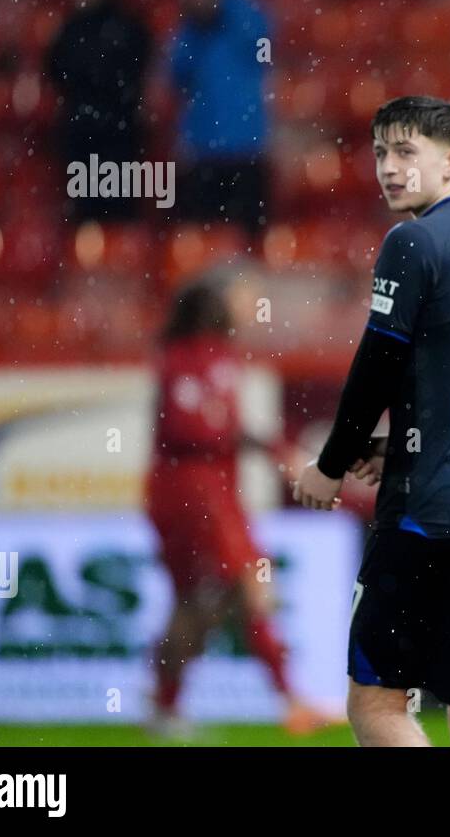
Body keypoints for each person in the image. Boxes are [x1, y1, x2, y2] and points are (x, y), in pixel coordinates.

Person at [293, 97, 450, 747]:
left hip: (438, 513)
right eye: (381, 152)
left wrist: (331, 464)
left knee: (376, 703)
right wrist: (403, 440)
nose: (388, 167)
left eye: (407, 152)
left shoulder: (414, 239)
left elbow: (376, 364)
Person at [145, 278, 329, 737]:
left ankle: (164, 703)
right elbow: (192, 429)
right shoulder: (191, 360)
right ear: (217, 305)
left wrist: (269, 449)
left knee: (200, 601)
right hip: (193, 496)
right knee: (250, 585)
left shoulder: (209, 358)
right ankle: (290, 701)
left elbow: (218, 426)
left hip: (204, 495)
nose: (250, 307)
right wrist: (270, 448)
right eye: (243, 298)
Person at [167, 0, 272, 239]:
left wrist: (228, 2)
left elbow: (260, 40)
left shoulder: (246, 20)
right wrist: (193, 22)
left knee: (246, 241)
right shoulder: (191, 33)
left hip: (245, 151)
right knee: (202, 240)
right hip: (202, 152)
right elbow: (176, 73)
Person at [45, 0, 152, 224]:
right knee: (84, 217)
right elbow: (55, 70)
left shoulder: (127, 26)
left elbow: (126, 74)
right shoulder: (71, 27)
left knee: (118, 216)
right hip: (82, 136)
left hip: (117, 137)